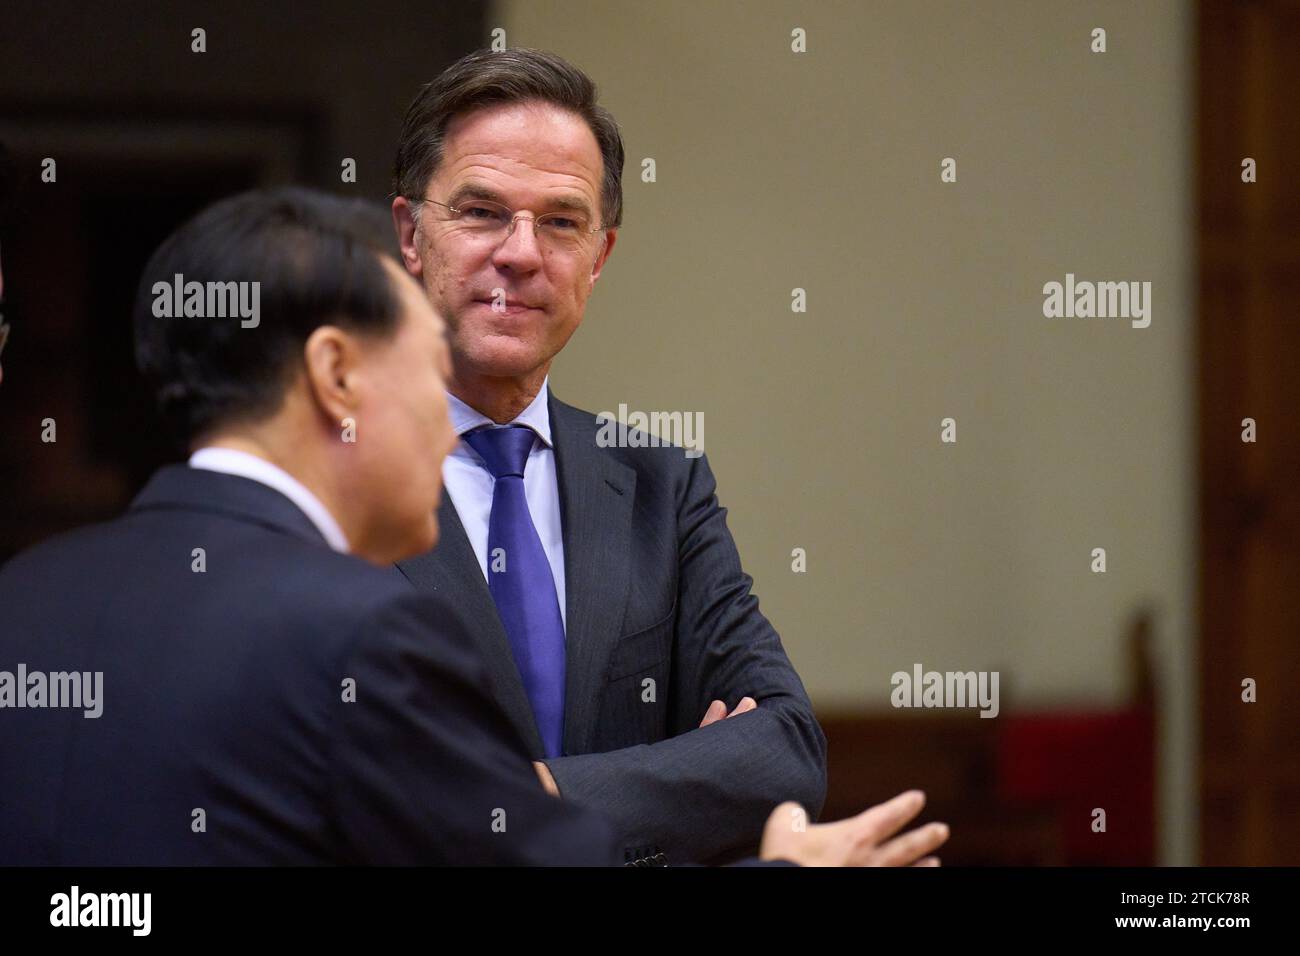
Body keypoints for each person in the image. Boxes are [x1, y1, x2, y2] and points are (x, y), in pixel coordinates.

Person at [0, 186, 949, 867]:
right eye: (422, 366)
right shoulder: (360, 630)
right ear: (336, 376)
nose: (444, 417)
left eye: (564, 220)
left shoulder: (27, 595)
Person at [391, 48, 829, 863]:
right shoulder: (325, 488)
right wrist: (681, 775)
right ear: (412, 235)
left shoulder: (662, 485)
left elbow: (786, 752)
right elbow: (354, 801)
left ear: (599, 258)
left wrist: (531, 799)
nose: (521, 253)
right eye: (482, 211)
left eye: (560, 221)